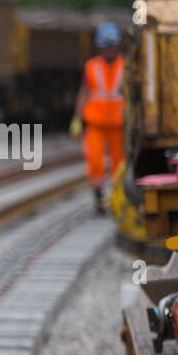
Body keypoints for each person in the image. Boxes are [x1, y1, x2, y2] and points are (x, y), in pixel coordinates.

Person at [71, 22, 125, 213]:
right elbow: (83, 93)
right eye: (105, 47)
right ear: (100, 47)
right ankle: (98, 196)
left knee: (120, 164)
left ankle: (119, 197)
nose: (109, 50)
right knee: (94, 160)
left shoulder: (126, 66)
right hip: (95, 123)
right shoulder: (91, 67)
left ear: (117, 46)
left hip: (119, 125)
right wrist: (77, 119)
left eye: (111, 46)